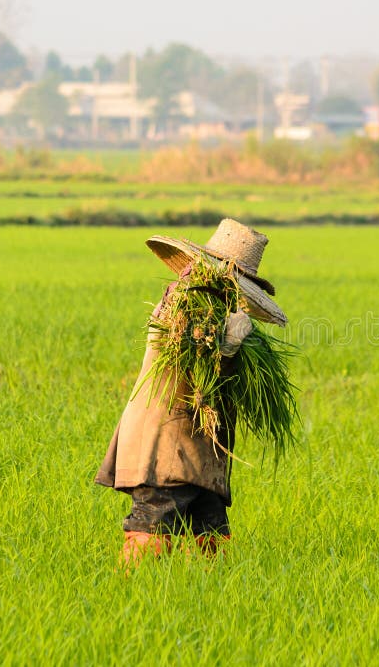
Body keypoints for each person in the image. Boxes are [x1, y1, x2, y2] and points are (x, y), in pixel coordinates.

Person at [94, 219, 287, 567]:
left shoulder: (214, 306)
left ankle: (211, 595)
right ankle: (127, 590)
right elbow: (194, 366)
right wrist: (228, 347)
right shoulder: (185, 305)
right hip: (167, 438)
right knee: (153, 521)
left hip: (200, 445)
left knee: (211, 533)